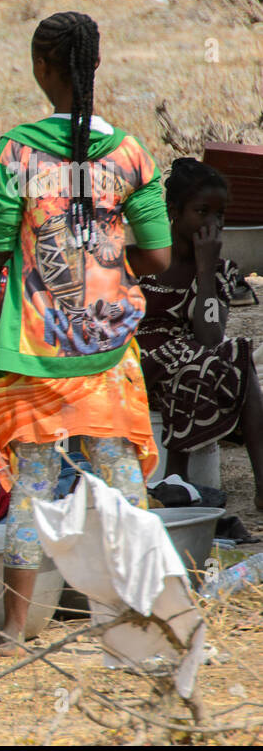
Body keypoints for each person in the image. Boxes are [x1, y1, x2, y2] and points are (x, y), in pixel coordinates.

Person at [0, 12, 171, 651]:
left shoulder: (19, 152)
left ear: (42, 68)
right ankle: (141, 612)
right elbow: (162, 257)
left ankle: (12, 628)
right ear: (96, 65)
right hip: (106, 350)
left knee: (32, 490)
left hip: (33, 353)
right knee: (121, 483)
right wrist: (108, 266)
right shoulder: (131, 152)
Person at [137, 158, 263, 509]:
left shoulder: (218, 270)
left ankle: (259, 482)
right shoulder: (146, 260)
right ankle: (177, 472)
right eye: (202, 211)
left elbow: (210, 336)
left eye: (220, 215)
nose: (213, 223)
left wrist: (206, 270)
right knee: (194, 356)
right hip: (139, 366)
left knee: (235, 354)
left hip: (193, 364)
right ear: (174, 211)